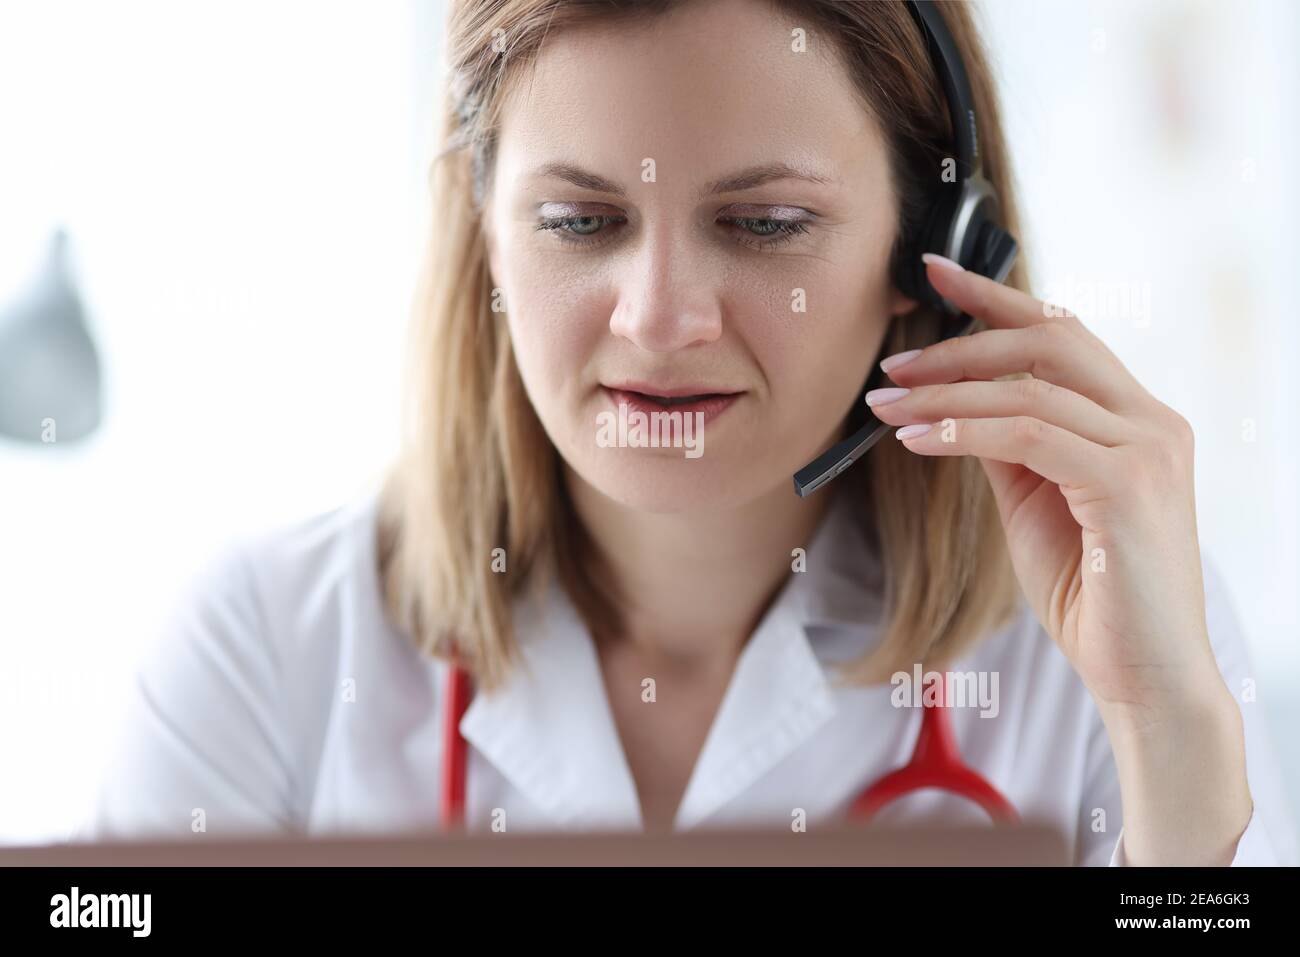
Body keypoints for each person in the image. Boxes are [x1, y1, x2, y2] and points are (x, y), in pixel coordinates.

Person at [80, 0, 1295, 865]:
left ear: (936, 252)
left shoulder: (1099, 656)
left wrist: (1171, 745)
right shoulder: (266, 653)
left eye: (762, 223)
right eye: (578, 221)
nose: (660, 321)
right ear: (484, 231)